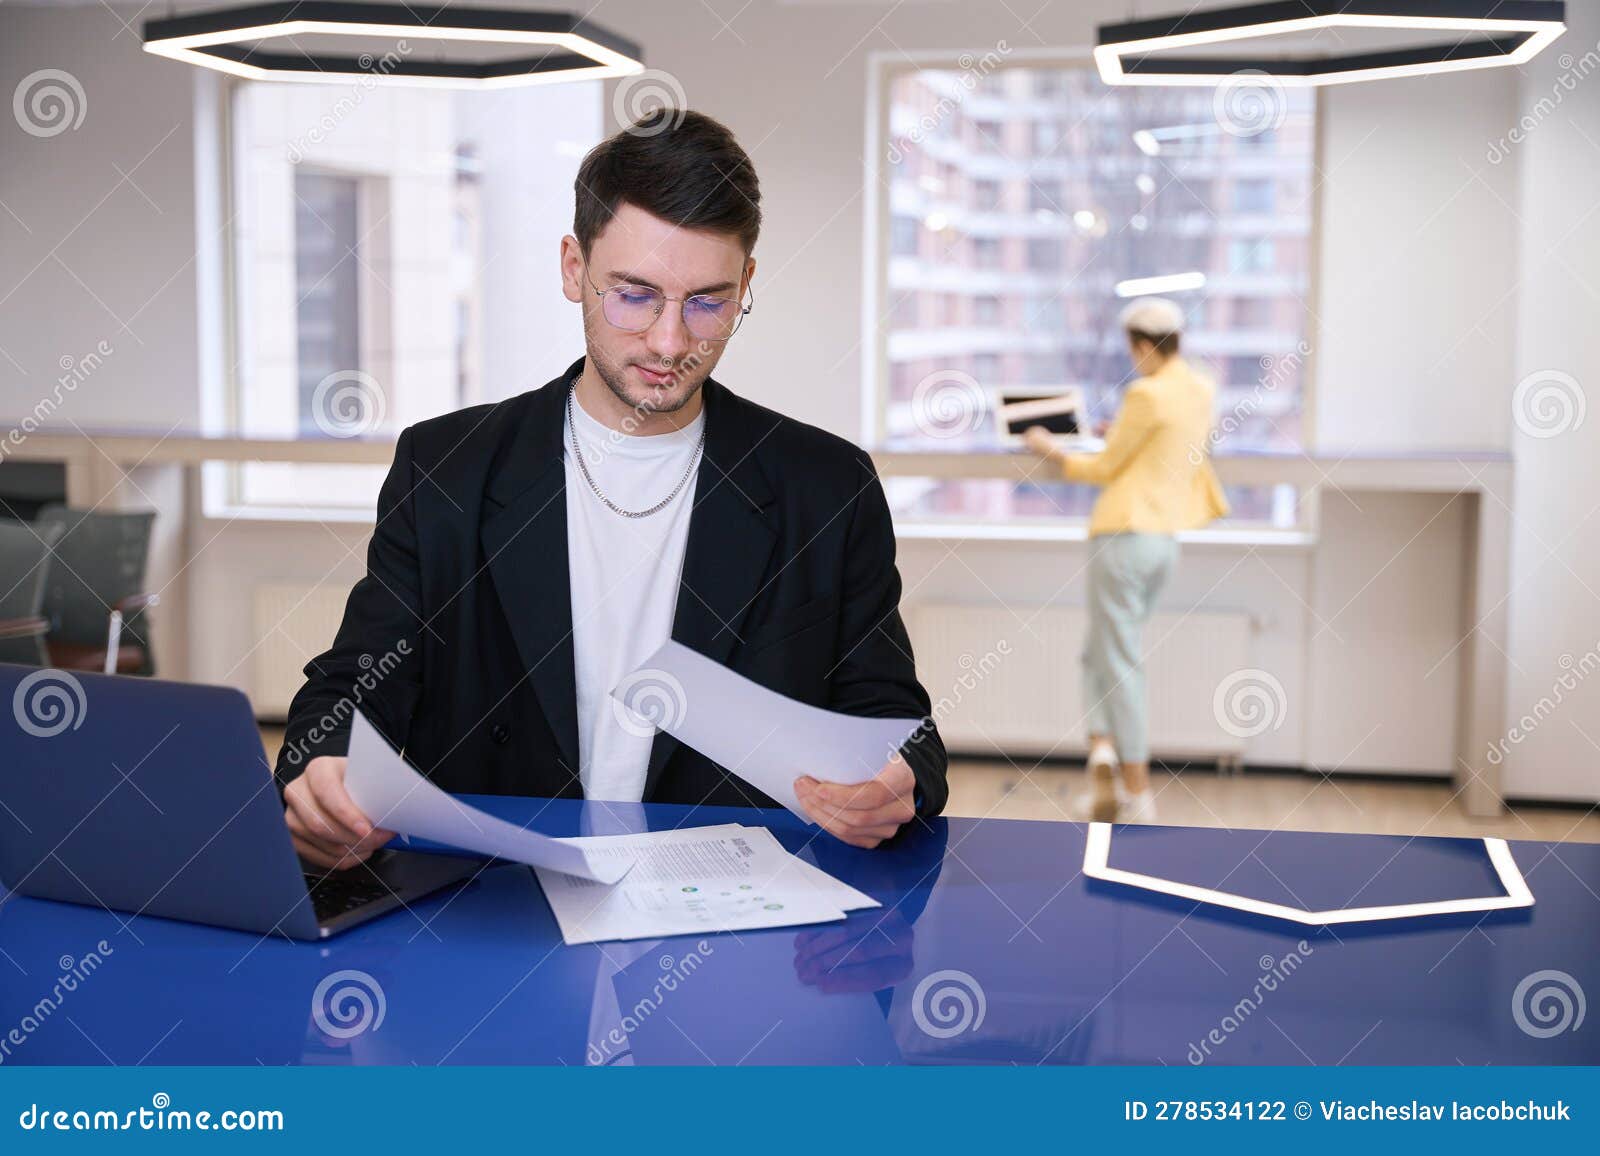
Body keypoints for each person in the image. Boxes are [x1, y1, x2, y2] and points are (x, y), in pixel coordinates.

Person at [276, 109, 947, 867]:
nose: (670, 341)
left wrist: (899, 779)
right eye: (634, 295)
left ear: (746, 284)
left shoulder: (826, 487)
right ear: (574, 269)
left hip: (732, 911)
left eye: (708, 302)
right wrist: (322, 768)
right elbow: (354, 687)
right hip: (499, 899)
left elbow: (896, 723)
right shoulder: (447, 467)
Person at [1023, 297, 1227, 822]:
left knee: (1119, 662)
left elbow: (1104, 470)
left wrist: (1048, 447)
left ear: (1142, 345)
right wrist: (1116, 435)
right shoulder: (1200, 389)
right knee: (1098, 653)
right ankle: (1103, 763)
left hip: (1123, 538)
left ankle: (1139, 794)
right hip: (1162, 542)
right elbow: (1161, 449)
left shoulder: (1145, 393)